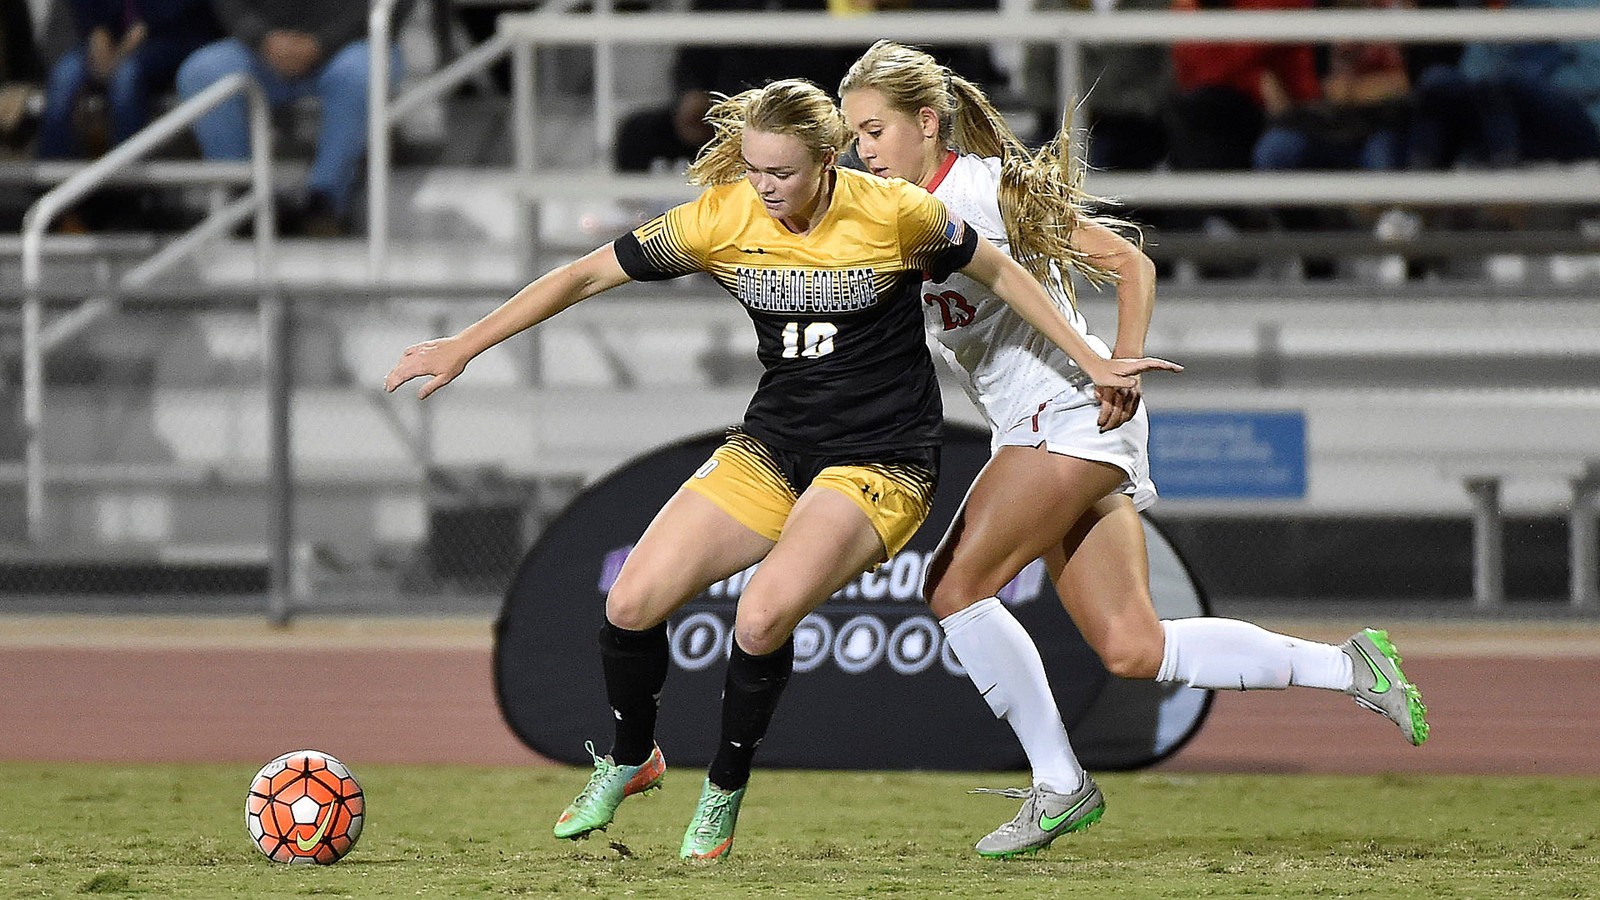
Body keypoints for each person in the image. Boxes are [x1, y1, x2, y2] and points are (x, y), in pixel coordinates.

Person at [384, 78, 1179, 861]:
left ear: (829, 160)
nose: (765, 187)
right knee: (629, 602)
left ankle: (722, 790)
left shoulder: (895, 212)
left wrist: (1093, 361)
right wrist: (465, 345)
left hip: (881, 459)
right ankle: (631, 758)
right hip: (773, 448)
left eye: (783, 172)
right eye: (755, 169)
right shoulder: (721, 217)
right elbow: (584, 274)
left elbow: (1002, 273)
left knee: (760, 617)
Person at [838, 40, 1430, 859]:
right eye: (854, 135)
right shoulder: (899, 212)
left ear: (928, 124)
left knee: (951, 586)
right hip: (1045, 423)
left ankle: (1059, 785)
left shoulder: (982, 190)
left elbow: (1129, 263)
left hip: (1068, 413)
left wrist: (1119, 365)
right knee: (1132, 647)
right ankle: (1350, 668)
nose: (862, 150)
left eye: (874, 131)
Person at [176, 0, 413, 236]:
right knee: (202, 72)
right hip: (263, 49)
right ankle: (245, 199)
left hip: (354, 43)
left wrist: (322, 43)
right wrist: (262, 38)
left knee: (360, 74)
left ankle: (324, 203)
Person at [36, 0, 217, 161]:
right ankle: (50, 176)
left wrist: (122, 51)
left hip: (172, 38)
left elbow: (170, 11)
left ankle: (126, 175)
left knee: (126, 76)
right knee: (64, 76)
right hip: (113, 40)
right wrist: (96, 31)